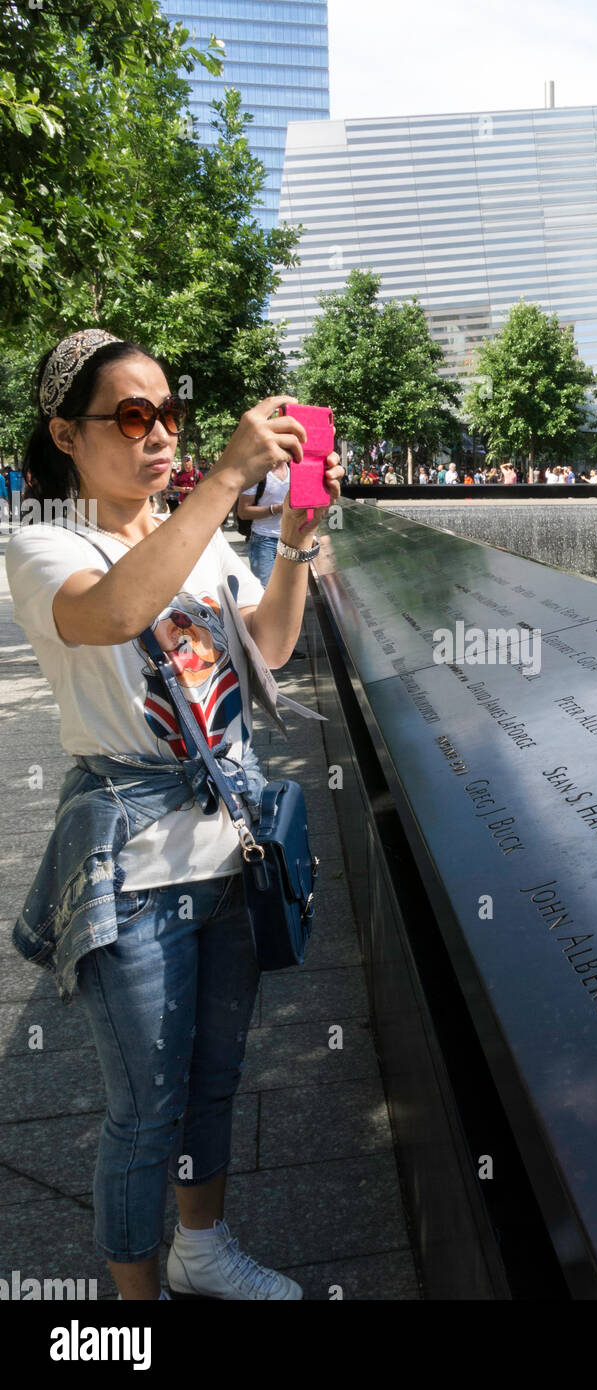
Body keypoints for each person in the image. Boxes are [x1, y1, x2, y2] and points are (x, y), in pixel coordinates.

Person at [6, 328, 343, 1301]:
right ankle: (134, 1306)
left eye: (169, 413)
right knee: (143, 1108)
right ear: (69, 434)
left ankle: (203, 1246)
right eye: (132, 414)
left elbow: (270, 646)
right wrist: (224, 479)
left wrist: (297, 533)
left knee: (212, 1076)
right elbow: (111, 612)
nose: (159, 433)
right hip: (129, 837)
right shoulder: (45, 542)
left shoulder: (200, 537)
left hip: (224, 824)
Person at [238, 457, 291, 589]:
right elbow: (243, 511)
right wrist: (275, 509)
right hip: (263, 541)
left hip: (291, 542)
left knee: (286, 594)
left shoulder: (296, 469)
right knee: (264, 593)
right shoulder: (257, 473)